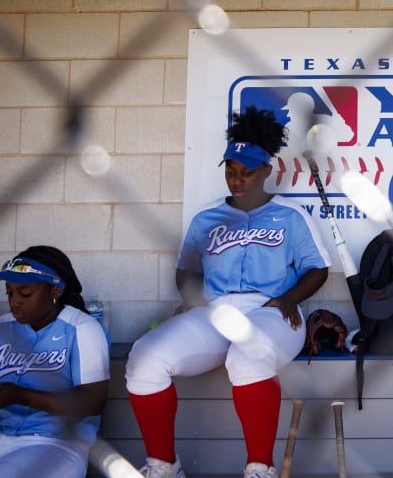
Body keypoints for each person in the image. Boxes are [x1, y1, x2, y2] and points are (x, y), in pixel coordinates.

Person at [125, 106, 332, 478]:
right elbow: (187, 269)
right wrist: (192, 299)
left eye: (247, 173)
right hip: (215, 311)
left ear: (266, 170)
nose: (237, 181)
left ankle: (260, 468)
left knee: (248, 356)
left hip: (272, 311)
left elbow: (317, 268)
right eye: (231, 172)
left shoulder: (290, 215)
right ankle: (163, 466)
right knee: (145, 357)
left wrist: (290, 298)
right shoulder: (207, 217)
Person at [0, 245, 110, 478]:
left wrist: (19, 395)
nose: (14, 302)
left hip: (56, 445)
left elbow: (93, 402)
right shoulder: (0, 327)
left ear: (55, 291)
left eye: (25, 293)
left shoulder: (82, 327)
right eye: (9, 293)